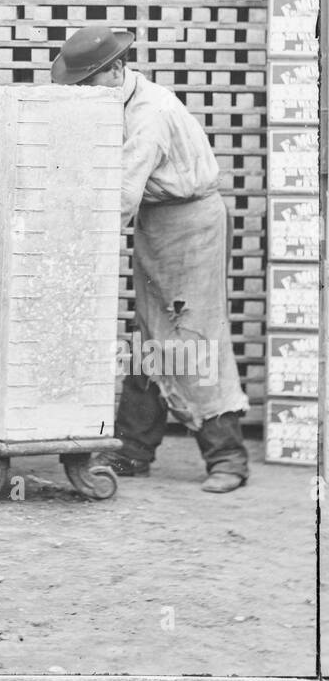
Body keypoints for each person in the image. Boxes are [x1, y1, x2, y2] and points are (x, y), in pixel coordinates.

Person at [51, 25, 249, 494]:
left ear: (117, 70)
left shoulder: (150, 113)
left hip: (190, 224)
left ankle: (229, 458)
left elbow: (121, 193)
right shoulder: (114, 102)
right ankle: (134, 450)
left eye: (89, 81)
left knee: (192, 337)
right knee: (147, 334)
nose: (82, 92)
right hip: (157, 223)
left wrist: (72, 239)